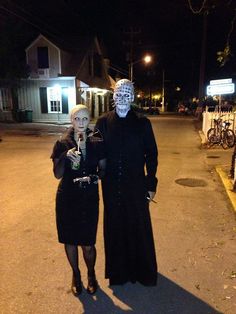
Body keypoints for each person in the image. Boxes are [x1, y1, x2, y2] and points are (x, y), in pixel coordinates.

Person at [95, 79, 158, 286]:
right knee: (115, 228)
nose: (122, 98)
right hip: (111, 187)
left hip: (136, 186)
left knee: (138, 226)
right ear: (113, 97)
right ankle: (118, 273)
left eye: (126, 95)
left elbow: (152, 155)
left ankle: (142, 271)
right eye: (118, 94)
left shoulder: (142, 123)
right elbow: (96, 151)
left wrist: (150, 184)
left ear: (132, 98)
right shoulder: (102, 122)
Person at [51, 104, 106, 296]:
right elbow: (57, 175)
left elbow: (104, 169)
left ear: (89, 119)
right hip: (67, 198)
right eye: (77, 119)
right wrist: (65, 158)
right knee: (70, 240)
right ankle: (76, 275)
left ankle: (91, 274)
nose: (81, 123)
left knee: (88, 243)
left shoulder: (96, 139)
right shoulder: (62, 142)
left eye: (84, 119)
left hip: (89, 197)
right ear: (71, 120)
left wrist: (93, 177)